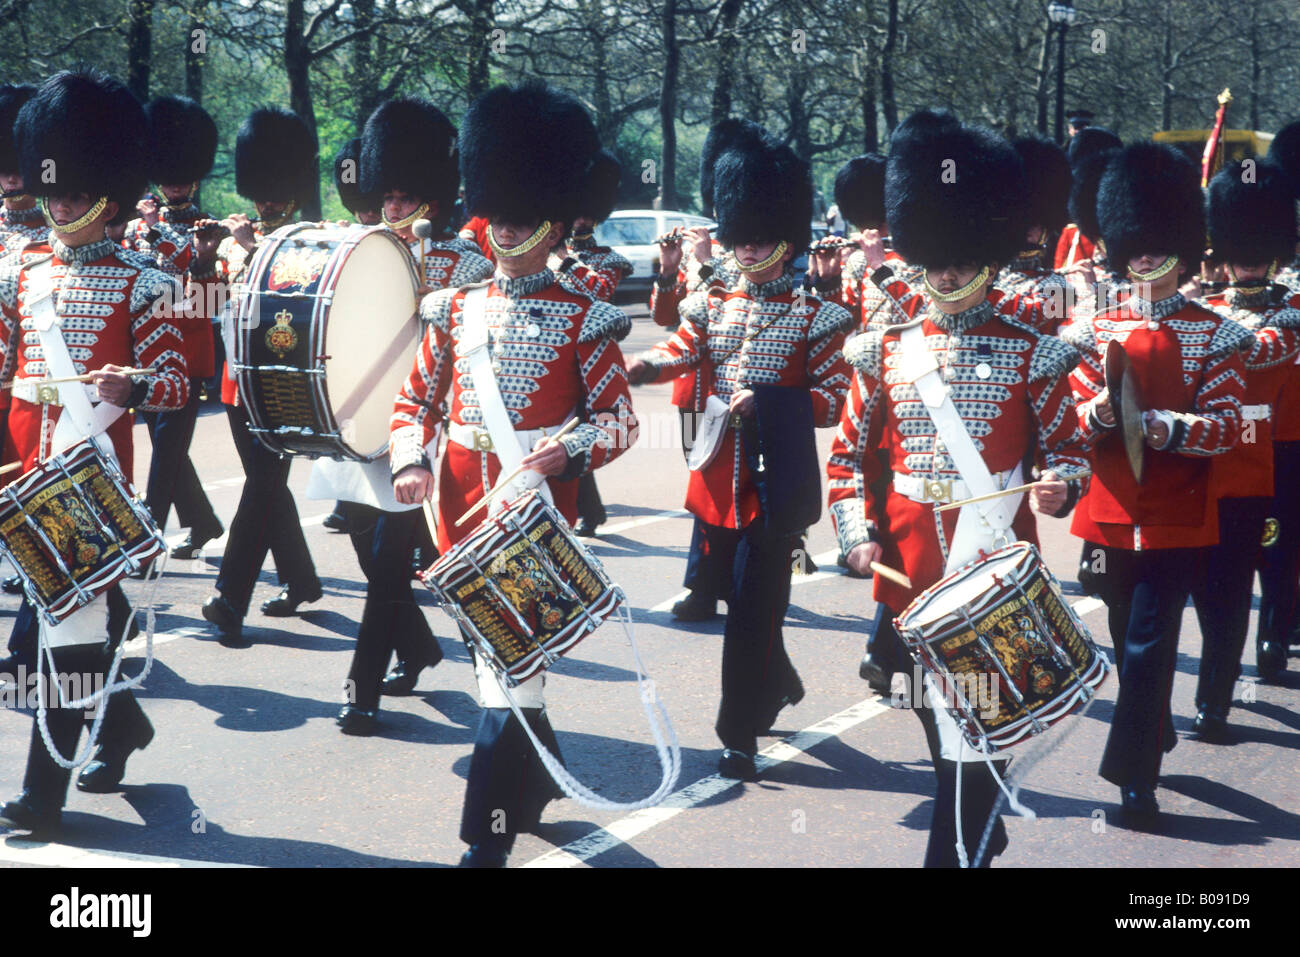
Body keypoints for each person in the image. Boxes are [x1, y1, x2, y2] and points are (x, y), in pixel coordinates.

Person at [826, 112, 1089, 867]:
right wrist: (854, 535)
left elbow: (1069, 453)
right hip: (908, 563)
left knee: (972, 715)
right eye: (934, 259)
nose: (944, 274)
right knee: (930, 707)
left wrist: (1059, 489)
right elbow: (846, 458)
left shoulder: (1035, 355)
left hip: (991, 558)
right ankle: (978, 815)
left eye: (958, 258)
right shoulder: (882, 352)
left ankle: (957, 847)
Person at [390, 81, 637, 867]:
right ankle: (530, 786)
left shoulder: (584, 312)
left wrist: (568, 450)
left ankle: (484, 841)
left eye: (525, 215)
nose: (508, 226)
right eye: (499, 211)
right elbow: (414, 402)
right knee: (492, 655)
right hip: (458, 508)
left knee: (509, 671)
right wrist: (408, 460)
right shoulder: (453, 308)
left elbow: (621, 420)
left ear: (555, 222)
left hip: (532, 513)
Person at [628, 130, 854, 782]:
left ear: (785, 240)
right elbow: (685, 348)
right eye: (742, 238)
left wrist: (776, 400)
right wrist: (646, 366)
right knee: (738, 598)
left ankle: (737, 736)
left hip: (774, 481)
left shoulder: (820, 315)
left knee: (754, 606)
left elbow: (834, 399)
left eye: (760, 239)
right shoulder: (713, 297)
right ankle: (777, 679)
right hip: (716, 474)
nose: (748, 249)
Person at [0, 70, 190, 829]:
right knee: (35, 643)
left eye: (77, 194)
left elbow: (179, 382)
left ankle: (43, 797)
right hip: (23, 467)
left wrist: (137, 381)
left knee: (68, 633)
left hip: (91, 473)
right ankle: (122, 725)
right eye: (58, 192)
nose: (62, 204)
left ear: (108, 197)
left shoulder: (147, 282)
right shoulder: (17, 270)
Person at [1065, 142, 1247, 827]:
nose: (1142, 259)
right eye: (1133, 248)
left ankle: (1133, 777)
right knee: (1123, 634)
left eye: (1154, 247)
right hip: (1109, 513)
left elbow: (1227, 427)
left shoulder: (1216, 335)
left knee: (1148, 641)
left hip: (1176, 513)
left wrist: (1165, 426)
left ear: (1180, 246)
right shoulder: (1096, 327)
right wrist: (1099, 413)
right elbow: (1075, 411)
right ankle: (1152, 725)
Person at [323, 97, 494, 733]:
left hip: (431, 432)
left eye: (404, 197)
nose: (392, 209)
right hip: (371, 425)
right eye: (387, 197)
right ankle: (422, 647)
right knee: (379, 557)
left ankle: (362, 692)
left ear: (434, 198)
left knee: (396, 558)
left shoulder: (469, 266)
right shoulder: (365, 255)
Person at [198, 108, 323, 646]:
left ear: (292, 193)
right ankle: (300, 580)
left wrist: (252, 249)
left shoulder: (310, 237)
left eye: (275, 194)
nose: (266, 203)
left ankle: (230, 598)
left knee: (262, 484)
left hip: (282, 377)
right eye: (261, 194)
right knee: (268, 484)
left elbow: (297, 302)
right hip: (235, 378)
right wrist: (206, 260)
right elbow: (205, 307)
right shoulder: (228, 240)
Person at [1194, 160, 1300, 697]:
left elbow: (1259, 355)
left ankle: (1275, 637)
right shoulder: (1206, 307)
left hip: (1285, 447)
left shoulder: (1292, 312)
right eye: (1241, 255)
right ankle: (1221, 674)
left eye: (1258, 255)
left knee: (1279, 550)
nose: (1250, 265)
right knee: (1219, 575)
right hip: (1219, 455)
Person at [648, 119, 756, 623]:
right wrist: (669, 269)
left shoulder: (744, 252)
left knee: (739, 485)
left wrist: (707, 261)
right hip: (691, 392)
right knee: (704, 486)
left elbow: (736, 306)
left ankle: (727, 582)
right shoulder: (696, 245)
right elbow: (666, 320)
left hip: (732, 389)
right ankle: (705, 584)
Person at [128, 95, 224, 569]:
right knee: (169, 446)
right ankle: (202, 521)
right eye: (168, 177)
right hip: (144, 350)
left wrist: (159, 233)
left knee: (165, 451)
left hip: (189, 352)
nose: (176, 185)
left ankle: (146, 542)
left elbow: (210, 301)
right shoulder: (136, 227)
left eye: (183, 177)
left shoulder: (209, 227)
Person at [549, 150, 632, 537]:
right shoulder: (545, 251)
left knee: (580, 429)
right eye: (575, 213)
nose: (580, 220)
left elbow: (598, 292)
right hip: (554, 350)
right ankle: (591, 510)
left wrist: (566, 260)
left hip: (591, 352)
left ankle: (586, 510)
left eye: (586, 214)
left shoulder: (608, 259)